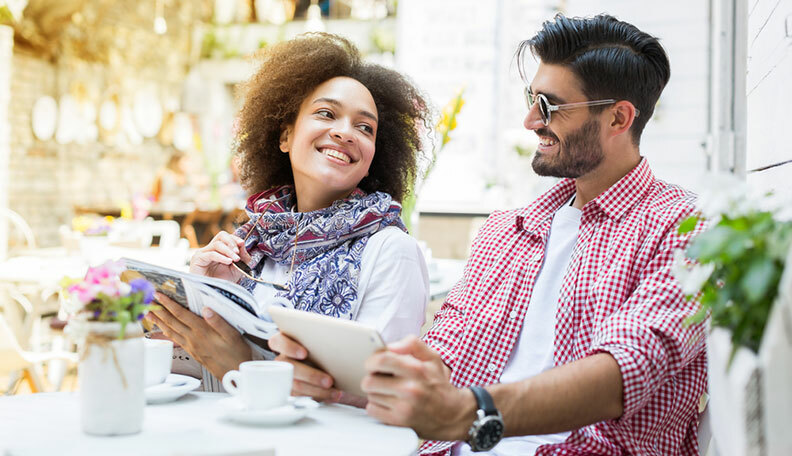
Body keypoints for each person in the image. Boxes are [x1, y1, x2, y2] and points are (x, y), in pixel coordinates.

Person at [354, 14, 708, 455]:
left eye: (549, 106)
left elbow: (627, 369)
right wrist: (358, 380)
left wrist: (465, 411)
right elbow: (444, 350)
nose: (529, 120)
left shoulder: (686, 228)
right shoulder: (506, 230)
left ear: (619, 118)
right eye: (531, 98)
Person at [146, 33, 431, 399]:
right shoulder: (253, 246)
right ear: (285, 136)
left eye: (365, 127)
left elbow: (382, 402)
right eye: (327, 113)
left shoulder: (391, 252)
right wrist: (202, 297)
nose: (345, 132)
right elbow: (195, 378)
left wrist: (241, 367)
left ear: (373, 157)